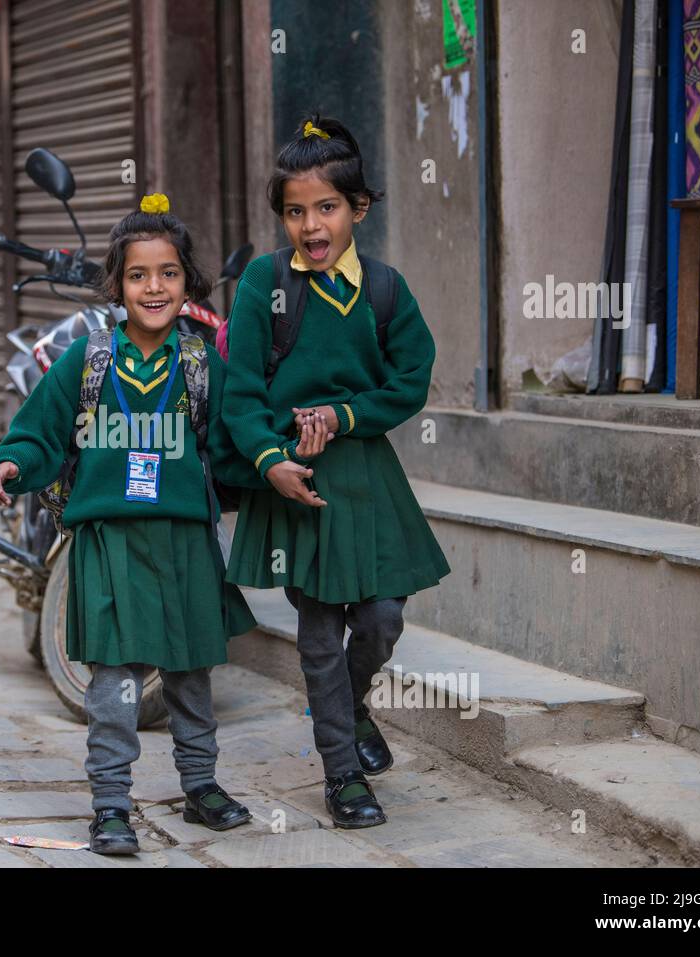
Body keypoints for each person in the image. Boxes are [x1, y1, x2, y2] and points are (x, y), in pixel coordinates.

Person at [0, 194, 262, 855]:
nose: (154, 286)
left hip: (187, 541)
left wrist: (270, 465)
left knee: (193, 674)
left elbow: (231, 446)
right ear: (118, 283)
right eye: (138, 275)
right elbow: (37, 432)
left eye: (167, 273)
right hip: (108, 543)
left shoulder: (201, 366)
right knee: (114, 681)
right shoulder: (86, 362)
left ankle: (201, 786)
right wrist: (10, 466)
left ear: (187, 280)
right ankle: (110, 803)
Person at [222, 115, 452, 828]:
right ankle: (342, 773)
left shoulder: (384, 289)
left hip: (365, 476)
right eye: (295, 211)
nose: (311, 226)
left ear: (359, 208)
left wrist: (346, 417)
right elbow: (241, 392)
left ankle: (351, 710)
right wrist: (272, 460)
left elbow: (411, 378)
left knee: (382, 618)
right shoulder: (266, 283)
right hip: (293, 477)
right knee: (319, 632)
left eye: (326, 208)